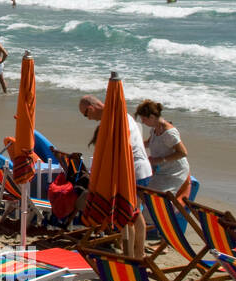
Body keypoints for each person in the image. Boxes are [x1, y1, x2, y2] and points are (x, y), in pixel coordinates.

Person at [78, 95, 153, 255]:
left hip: (133, 171)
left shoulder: (113, 120)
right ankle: (138, 253)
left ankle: (132, 255)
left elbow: (115, 152)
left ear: (91, 108)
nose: (88, 119)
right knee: (135, 214)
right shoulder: (122, 115)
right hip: (142, 169)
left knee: (128, 215)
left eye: (86, 114)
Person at [135, 100, 190, 197]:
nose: (142, 122)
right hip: (162, 170)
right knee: (145, 194)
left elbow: (183, 152)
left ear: (151, 117)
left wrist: (159, 160)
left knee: (153, 197)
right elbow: (148, 143)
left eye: (143, 119)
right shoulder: (155, 128)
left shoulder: (168, 133)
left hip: (175, 172)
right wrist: (131, 145)